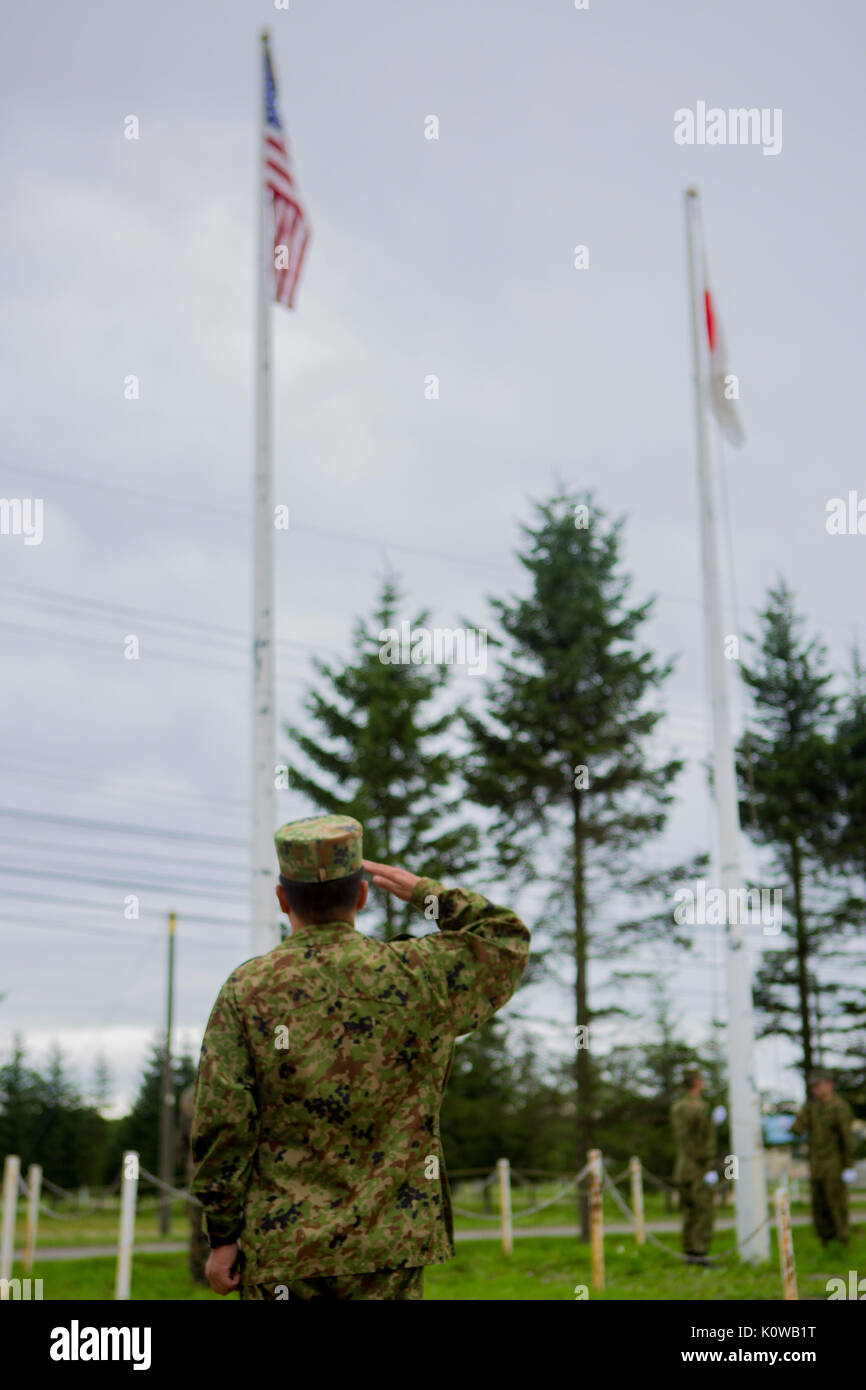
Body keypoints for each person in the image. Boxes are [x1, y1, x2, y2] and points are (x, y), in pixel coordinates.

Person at [191, 813, 530, 1300]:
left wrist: (222, 1237)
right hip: (390, 1244)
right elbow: (505, 937)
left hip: (283, 1247)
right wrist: (424, 893)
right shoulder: (421, 976)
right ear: (364, 895)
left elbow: (223, 1120)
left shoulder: (249, 989)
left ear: (283, 899)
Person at [791, 1070, 857, 1247]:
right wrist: (791, 1121)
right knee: (819, 1202)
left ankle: (843, 1238)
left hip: (834, 1162)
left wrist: (849, 1165)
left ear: (829, 1085)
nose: (815, 1090)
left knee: (835, 1201)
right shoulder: (812, 1107)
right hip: (816, 1163)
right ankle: (825, 1240)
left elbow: (847, 1138)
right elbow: (797, 1128)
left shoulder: (839, 1107)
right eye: (813, 1087)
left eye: (819, 1085)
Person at [671, 1068, 724, 1265]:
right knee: (704, 1211)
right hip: (698, 1168)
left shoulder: (678, 1106)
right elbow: (703, 1139)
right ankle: (699, 1254)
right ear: (697, 1082)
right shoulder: (699, 1107)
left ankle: (689, 1253)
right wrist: (709, 1164)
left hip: (683, 1168)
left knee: (689, 1212)